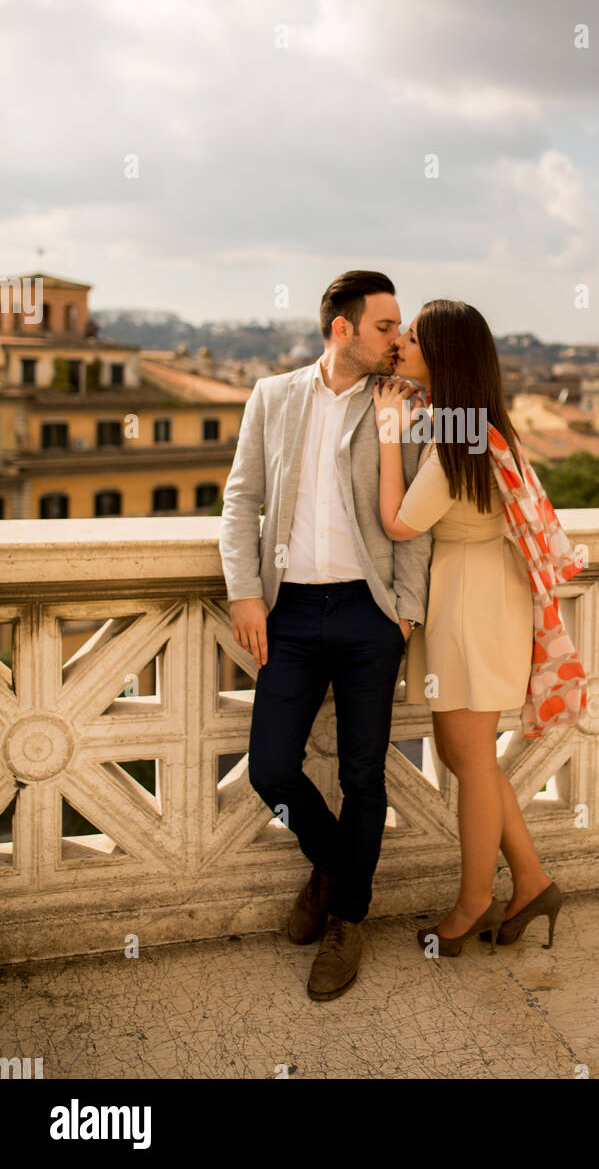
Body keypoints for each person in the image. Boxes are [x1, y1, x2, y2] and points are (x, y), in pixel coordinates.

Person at [219, 271, 431, 1000]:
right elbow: (242, 498)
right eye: (385, 327)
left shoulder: (401, 407)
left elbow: (415, 521)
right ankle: (339, 865)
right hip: (290, 615)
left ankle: (347, 917)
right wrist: (245, 593)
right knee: (270, 769)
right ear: (341, 329)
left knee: (363, 776)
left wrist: (405, 607)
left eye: (401, 328)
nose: (398, 340)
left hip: (371, 617)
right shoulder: (273, 397)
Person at [372, 298, 563, 957]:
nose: (401, 343)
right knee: (470, 757)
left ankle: (474, 901)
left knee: (471, 762)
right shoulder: (474, 426)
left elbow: (400, 521)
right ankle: (532, 882)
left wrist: (389, 430)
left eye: (414, 337)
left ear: (443, 357)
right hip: (481, 598)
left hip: (469, 608)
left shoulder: (457, 442)